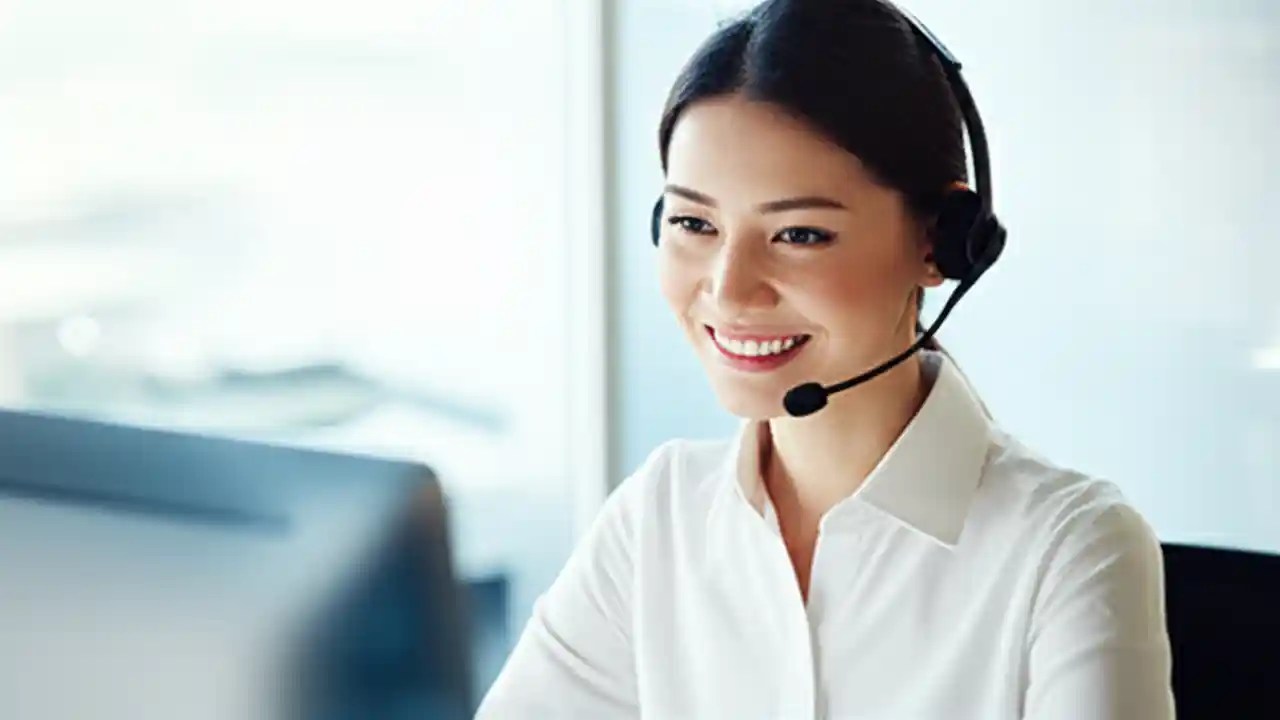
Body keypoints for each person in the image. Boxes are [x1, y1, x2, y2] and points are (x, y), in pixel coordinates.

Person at [477, 0, 1174, 717]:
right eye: (693, 222)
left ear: (941, 242)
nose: (728, 287)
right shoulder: (659, 518)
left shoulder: (1069, 549)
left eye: (800, 234)